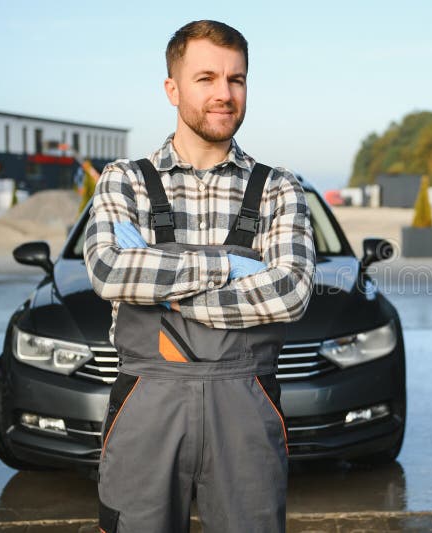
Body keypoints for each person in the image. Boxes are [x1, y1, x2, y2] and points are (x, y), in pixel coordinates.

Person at [83, 19, 316, 533]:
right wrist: (228, 266)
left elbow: (291, 292)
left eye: (236, 79)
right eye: (206, 78)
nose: (224, 94)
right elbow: (109, 268)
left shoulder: (279, 189)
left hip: (246, 406)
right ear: (173, 88)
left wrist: (167, 295)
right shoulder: (125, 181)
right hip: (148, 403)